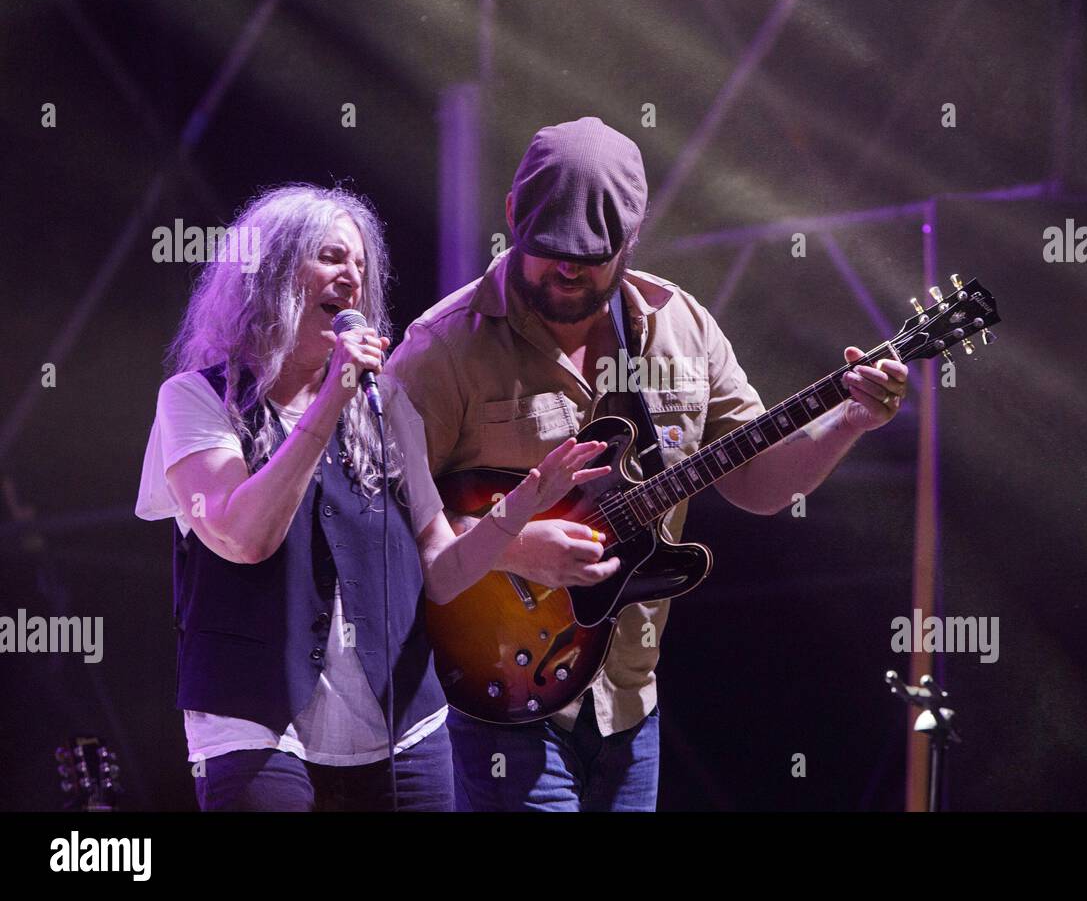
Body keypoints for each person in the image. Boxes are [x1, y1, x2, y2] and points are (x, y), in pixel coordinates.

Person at [387, 117, 908, 811]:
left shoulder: (683, 330)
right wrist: (511, 548)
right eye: (549, 248)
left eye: (592, 253)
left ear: (634, 235)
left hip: (631, 703)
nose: (568, 268)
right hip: (499, 697)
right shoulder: (439, 350)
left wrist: (850, 421)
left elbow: (759, 484)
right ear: (513, 215)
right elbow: (384, 527)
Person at [135, 183, 609, 810]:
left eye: (360, 266)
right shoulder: (198, 400)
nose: (351, 279)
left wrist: (520, 504)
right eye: (331, 258)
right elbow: (244, 536)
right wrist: (332, 397)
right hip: (256, 726)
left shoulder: (386, 409)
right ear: (272, 269)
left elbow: (440, 571)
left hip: (399, 727)